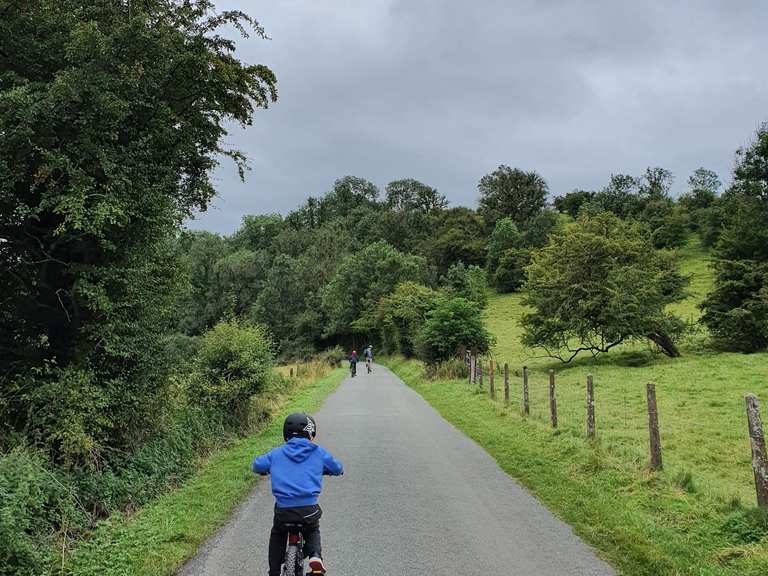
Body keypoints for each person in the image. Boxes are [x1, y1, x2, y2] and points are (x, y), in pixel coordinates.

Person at [252, 413, 344, 576]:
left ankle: (274, 571)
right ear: (311, 433)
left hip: (284, 511)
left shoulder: (276, 453)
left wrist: (266, 469)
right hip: (308, 510)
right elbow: (337, 468)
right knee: (313, 529)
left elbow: (257, 465)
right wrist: (331, 470)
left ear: (285, 433)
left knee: (277, 534)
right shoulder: (318, 453)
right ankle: (315, 556)